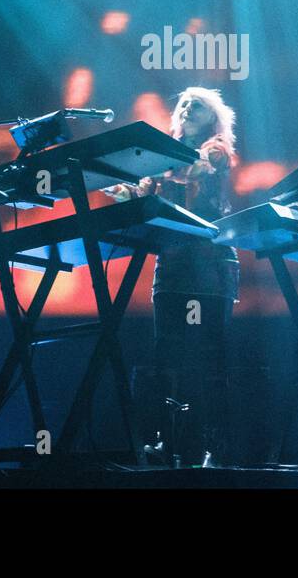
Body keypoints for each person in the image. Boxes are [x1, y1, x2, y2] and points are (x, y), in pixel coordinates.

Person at [108, 87, 239, 465]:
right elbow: (142, 192)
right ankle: (172, 442)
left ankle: (213, 446)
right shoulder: (162, 156)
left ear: (213, 117)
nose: (186, 108)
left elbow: (193, 170)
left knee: (208, 357)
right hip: (172, 264)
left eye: (196, 104)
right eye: (183, 103)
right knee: (168, 354)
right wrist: (113, 183)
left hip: (210, 267)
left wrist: (152, 167)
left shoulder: (216, 149)